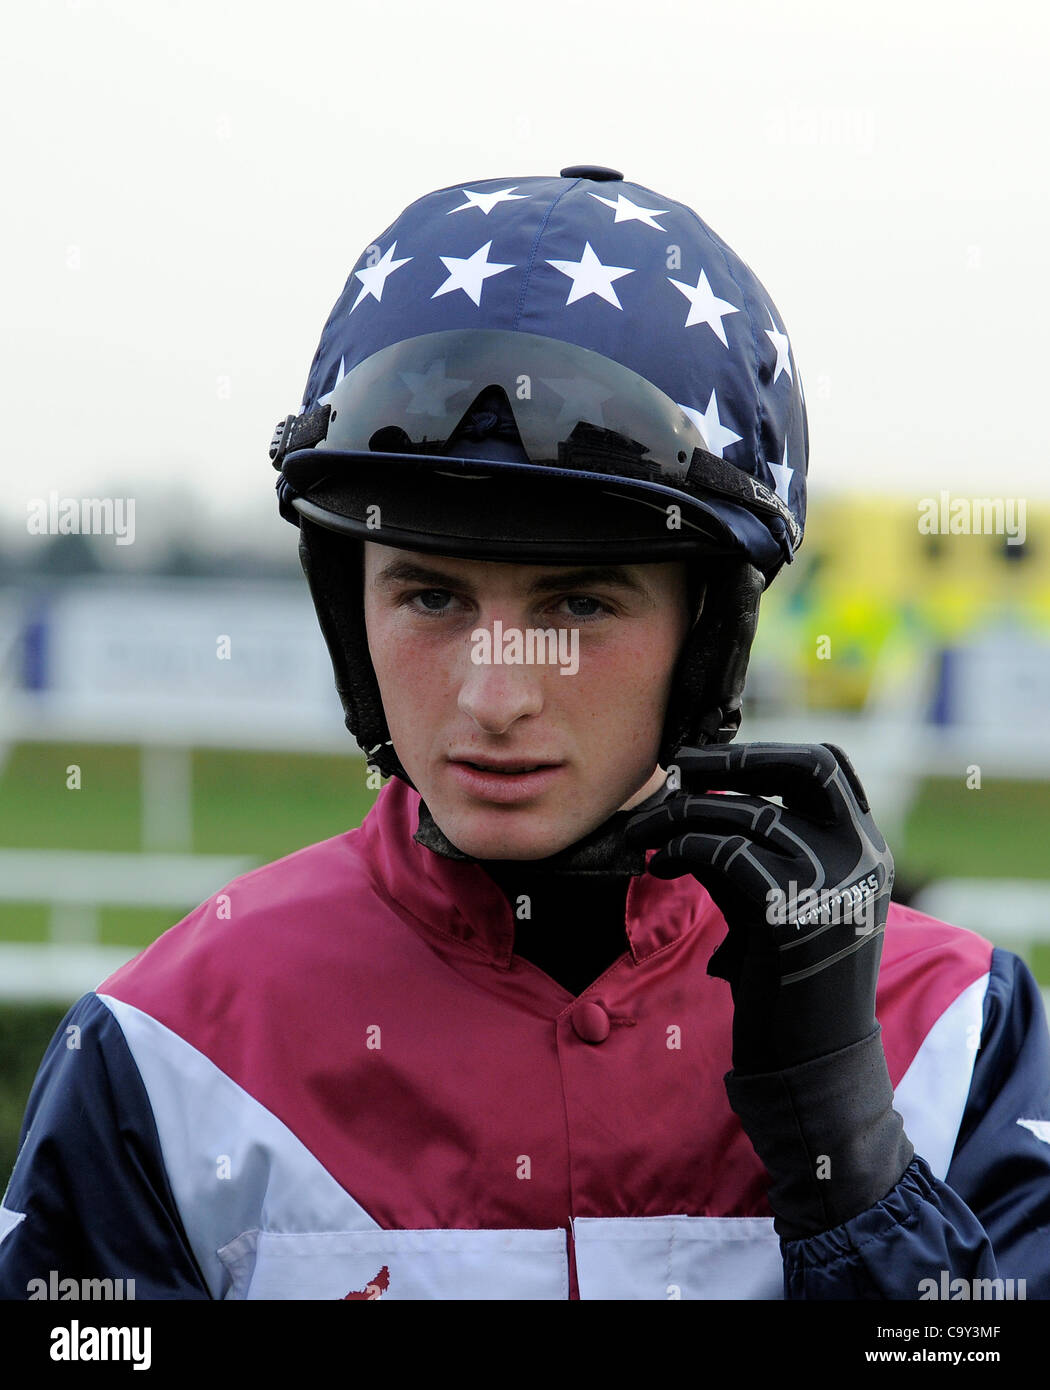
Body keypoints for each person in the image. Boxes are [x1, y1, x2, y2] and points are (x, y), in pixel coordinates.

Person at [2, 166, 1048, 1302]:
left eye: (579, 606)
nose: (495, 697)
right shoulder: (161, 1050)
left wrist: (849, 1147)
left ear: (713, 630)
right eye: (431, 598)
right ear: (347, 607)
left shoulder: (955, 1030)